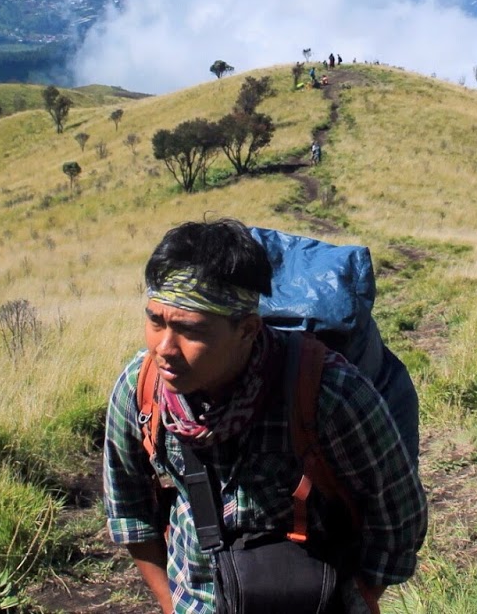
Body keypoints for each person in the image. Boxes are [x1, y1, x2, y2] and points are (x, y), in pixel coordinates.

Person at [104, 218, 427, 614]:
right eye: (156, 321)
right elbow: (128, 510)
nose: (164, 348)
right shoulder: (141, 389)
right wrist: (172, 605)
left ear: (247, 330)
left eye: (190, 330)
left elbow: (399, 517)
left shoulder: (328, 392)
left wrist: (356, 599)